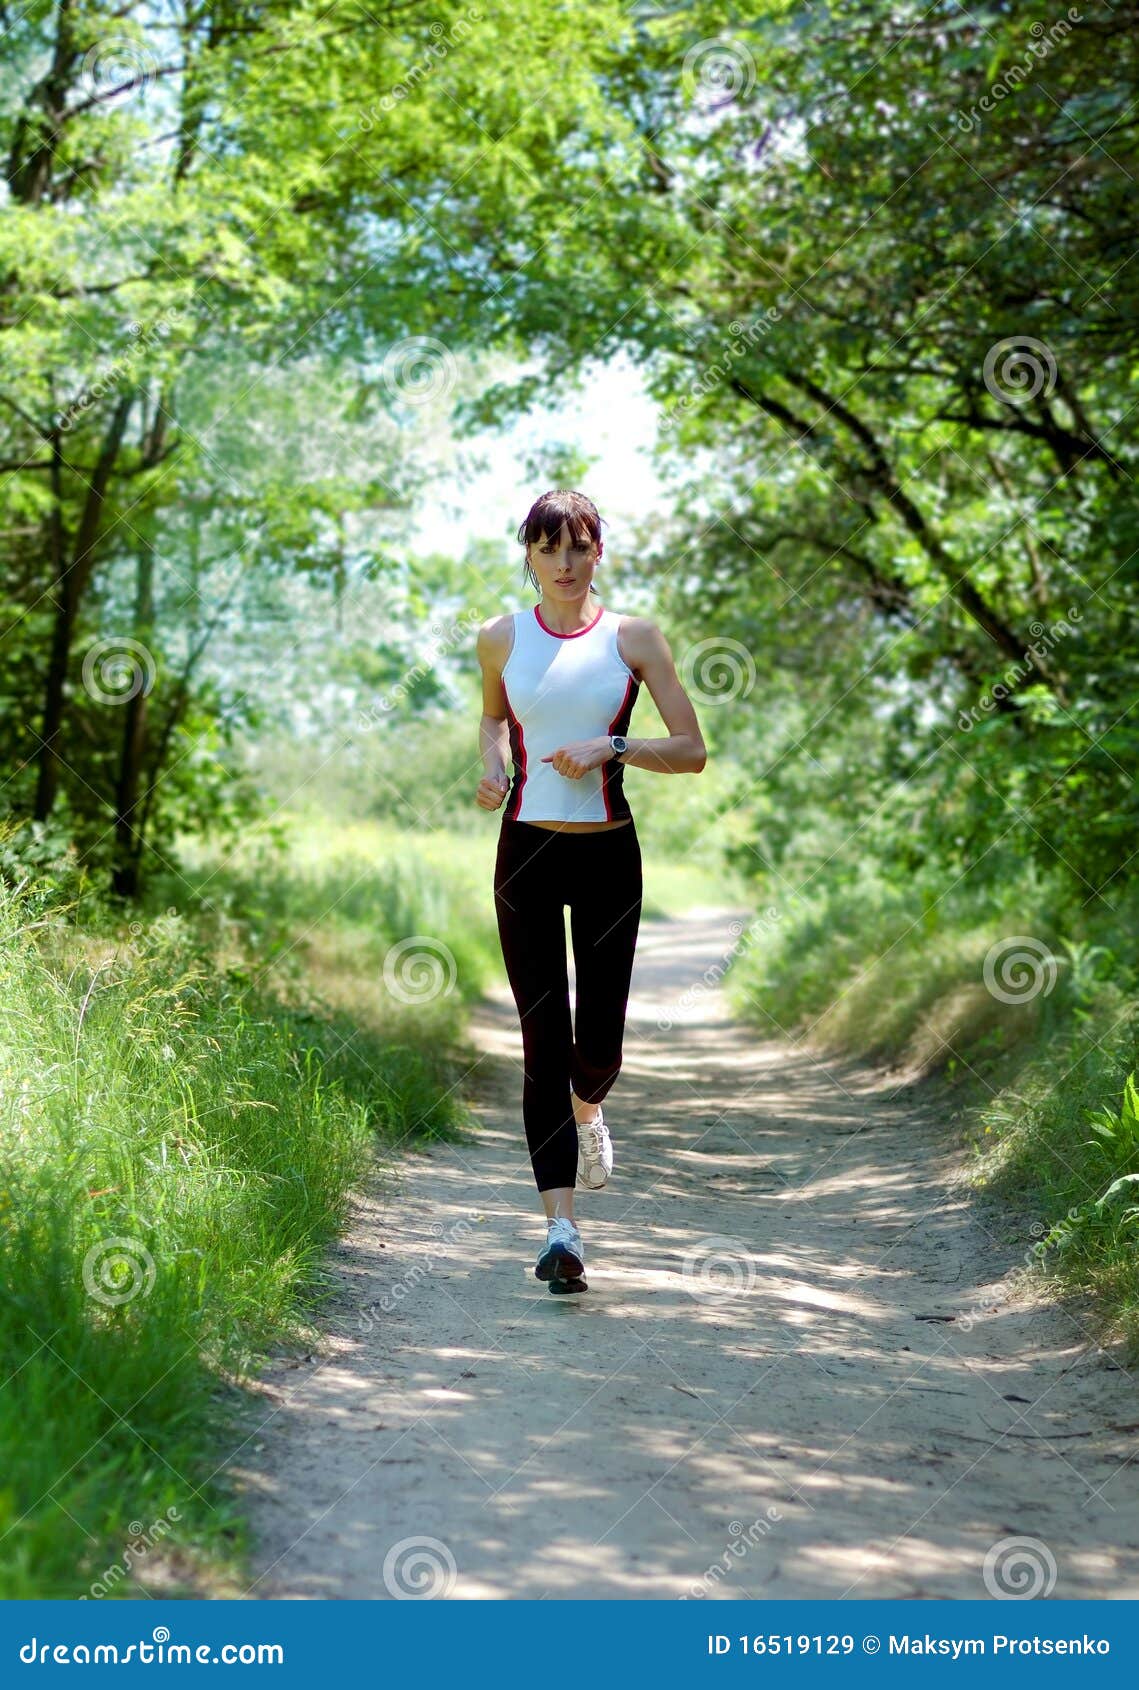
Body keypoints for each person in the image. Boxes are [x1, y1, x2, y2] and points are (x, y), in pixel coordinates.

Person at [475, 489, 707, 1294]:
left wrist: (613, 745)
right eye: (550, 551)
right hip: (526, 855)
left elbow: (690, 750)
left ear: (597, 552)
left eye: (579, 549)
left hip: (609, 857)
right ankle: (559, 1231)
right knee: (542, 1042)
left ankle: (590, 1107)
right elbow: (493, 720)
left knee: (598, 1045)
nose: (565, 565)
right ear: (529, 557)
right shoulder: (498, 638)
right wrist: (492, 761)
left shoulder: (633, 638)